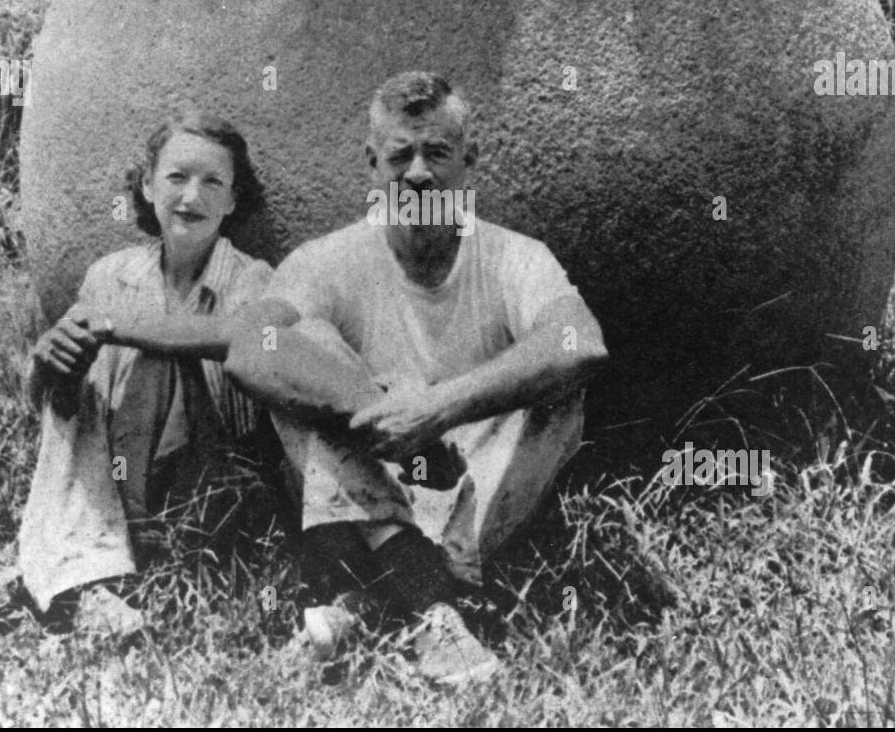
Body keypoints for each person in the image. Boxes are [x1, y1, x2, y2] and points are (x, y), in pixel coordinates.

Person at [225, 71, 609, 685]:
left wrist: (437, 410)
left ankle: (371, 601)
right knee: (300, 348)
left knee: (562, 389)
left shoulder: (515, 255)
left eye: (437, 153)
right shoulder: (329, 259)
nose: (419, 173)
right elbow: (249, 347)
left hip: (474, 483)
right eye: (400, 155)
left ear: (469, 161)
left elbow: (581, 342)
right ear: (372, 164)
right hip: (376, 468)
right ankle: (435, 608)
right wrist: (378, 408)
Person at [0, 112, 274, 636]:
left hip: (209, 492)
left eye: (213, 181)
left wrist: (123, 329)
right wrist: (50, 365)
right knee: (73, 378)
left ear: (234, 200)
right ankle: (81, 581)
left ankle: (49, 580)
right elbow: (46, 405)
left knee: (159, 353)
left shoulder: (252, 278)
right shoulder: (110, 275)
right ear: (148, 186)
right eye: (176, 177)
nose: (192, 195)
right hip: (123, 482)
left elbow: (246, 348)